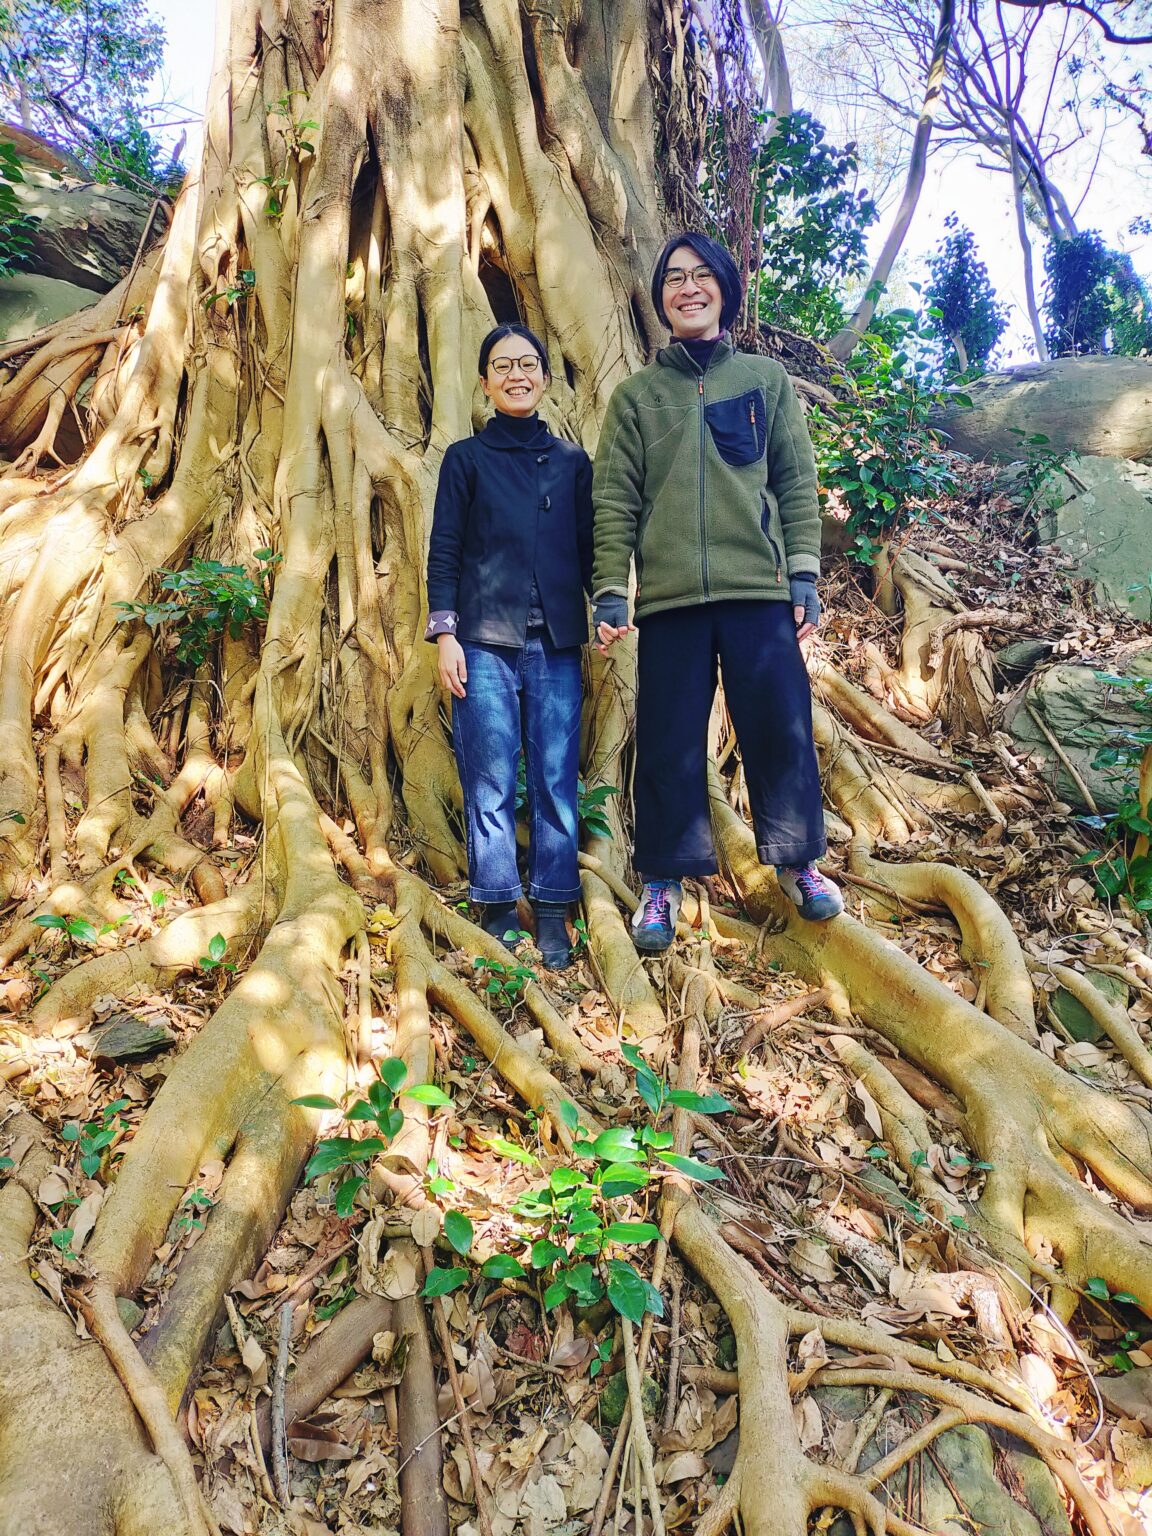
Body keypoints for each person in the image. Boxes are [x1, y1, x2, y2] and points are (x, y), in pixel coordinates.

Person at [592, 231, 843, 952]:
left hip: (756, 592)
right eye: (674, 278)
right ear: (661, 297)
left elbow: (796, 483)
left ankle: (800, 863)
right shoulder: (637, 399)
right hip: (669, 602)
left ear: (725, 290)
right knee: (669, 742)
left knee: (779, 726)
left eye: (703, 276)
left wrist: (803, 572)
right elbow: (614, 502)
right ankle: (663, 884)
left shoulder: (764, 381)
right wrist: (612, 590)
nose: (688, 288)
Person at [425, 323, 593, 970]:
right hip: (483, 644)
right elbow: (444, 551)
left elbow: (589, 552)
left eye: (528, 364)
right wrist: (445, 634)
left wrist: (608, 608)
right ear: (485, 381)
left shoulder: (574, 464)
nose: (517, 375)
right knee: (489, 776)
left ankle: (553, 907)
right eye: (503, 365)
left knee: (555, 778)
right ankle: (496, 906)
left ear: (546, 378)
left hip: (555, 644)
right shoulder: (466, 460)